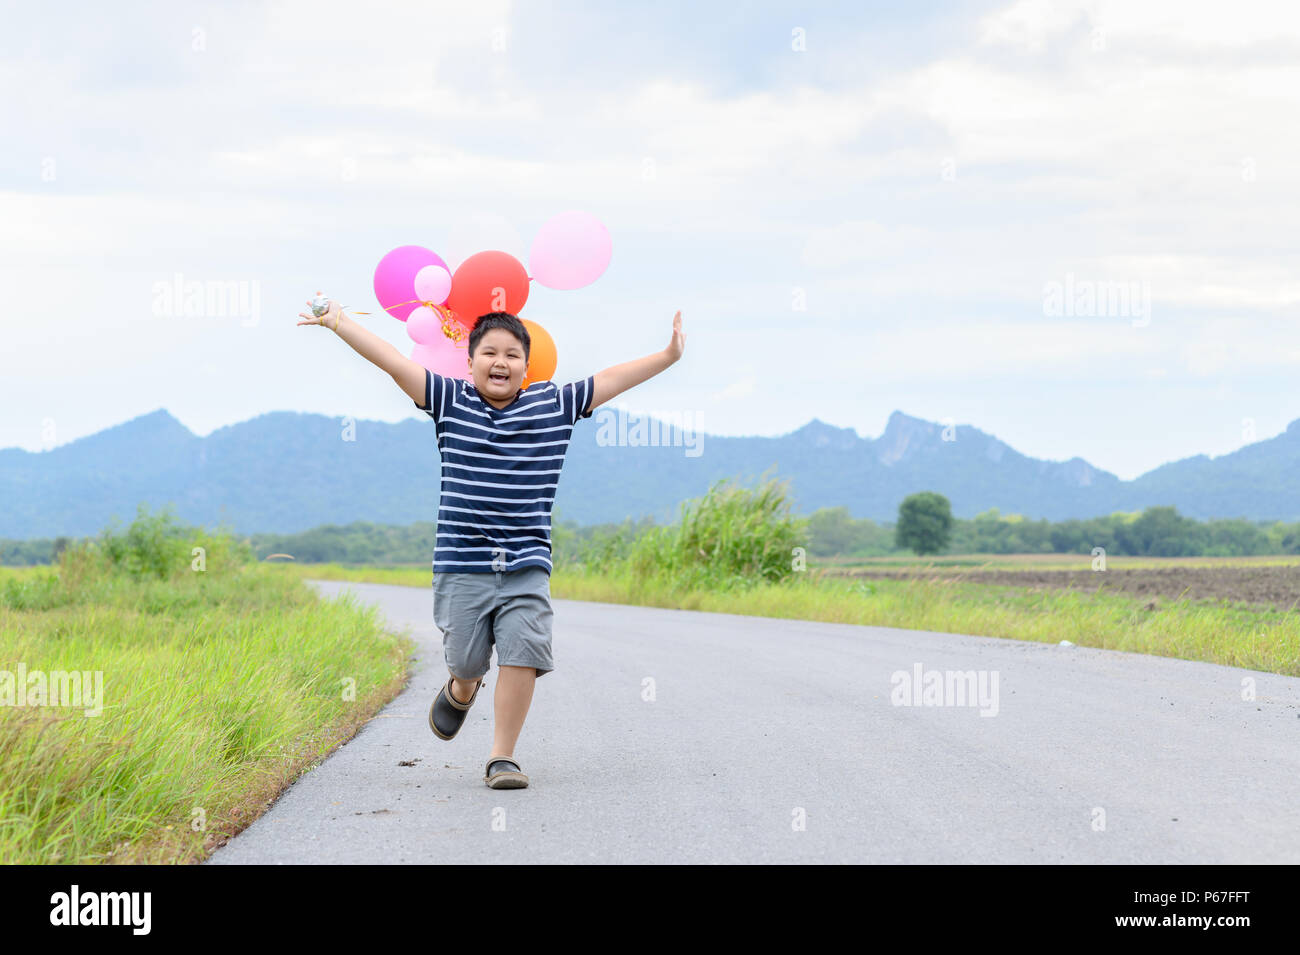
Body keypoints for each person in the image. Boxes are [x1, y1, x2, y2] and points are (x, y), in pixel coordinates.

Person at [298, 299, 685, 788]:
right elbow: (392, 360)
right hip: (462, 565)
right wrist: (338, 323)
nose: (500, 362)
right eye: (488, 353)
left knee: (523, 653)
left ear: (527, 365)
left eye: (511, 355)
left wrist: (667, 356)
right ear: (470, 362)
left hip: (526, 564)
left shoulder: (554, 405)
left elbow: (611, 378)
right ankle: (462, 687)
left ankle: (502, 757)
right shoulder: (449, 400)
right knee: (465, 659)